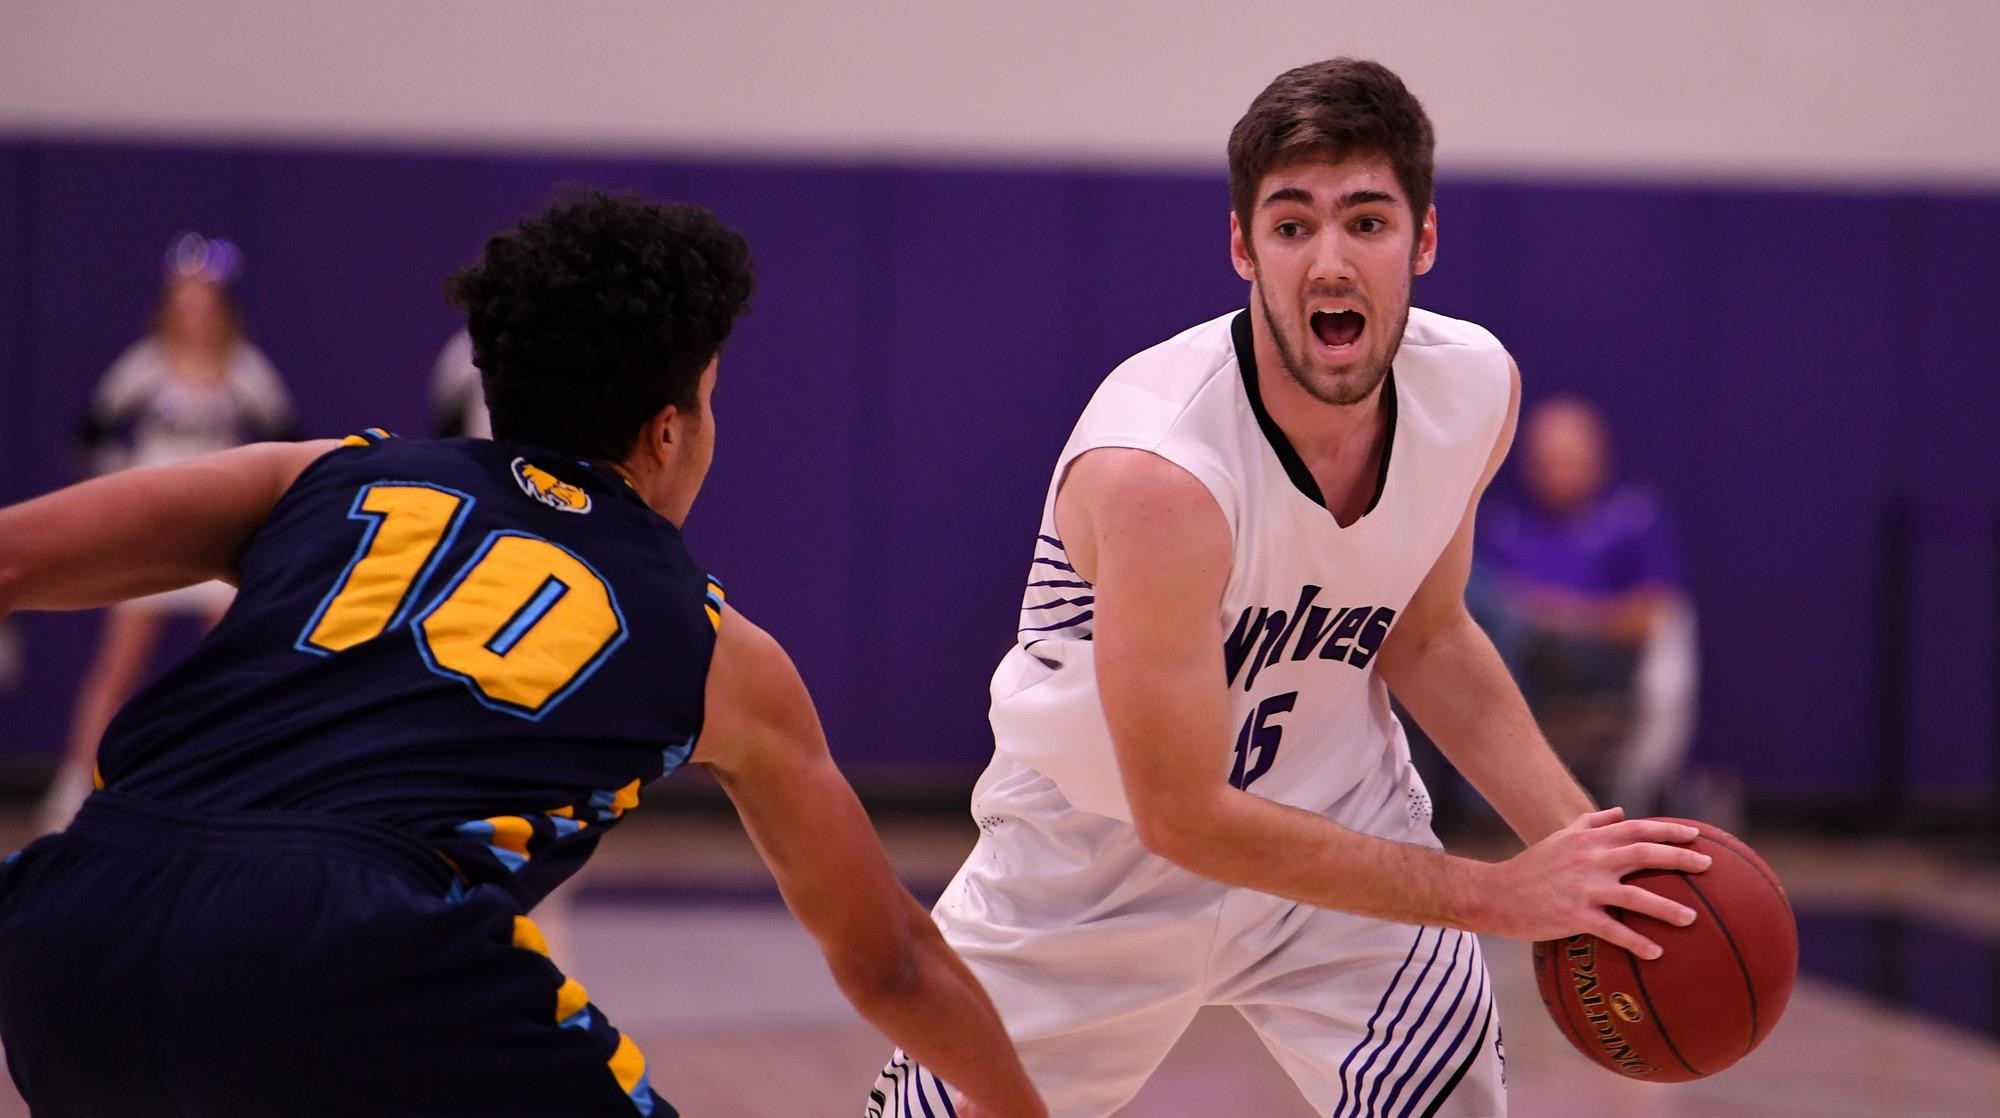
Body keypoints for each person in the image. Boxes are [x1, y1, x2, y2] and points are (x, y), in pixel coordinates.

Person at [0, 194, 1044, 1118]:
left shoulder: (327, 476)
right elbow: (890, 961)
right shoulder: (719, 645)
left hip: (72, 927)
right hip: (343, 946)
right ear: (668, 431)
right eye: (711, 398)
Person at [865, 59, 1710, 1118]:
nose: (1328, 262)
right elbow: (1181, 815)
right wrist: (1495, 894)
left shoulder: (1472, 386)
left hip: (1342, 840)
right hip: (1089, 875)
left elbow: (1427, 635)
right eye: (1290, 225)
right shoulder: (1158, 468)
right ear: (1241, 248)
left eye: (1365, 221)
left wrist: (1587, 857)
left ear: (1424, 240)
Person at [42, 234, 297, 832]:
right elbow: (90, 434)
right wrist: (125, 483)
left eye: (204, 298)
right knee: (119, 662)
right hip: (156, 526)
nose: (194, 309)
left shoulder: (246, 372)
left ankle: (230, 777)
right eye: (184, 298)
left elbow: (288, 442)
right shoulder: (145, 367)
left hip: (219, 531)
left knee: (231, 658)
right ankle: (76, 780)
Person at [1476, 396, 1696, 817]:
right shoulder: (1504, 526)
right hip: (1510, 663)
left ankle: (1486, 799)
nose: (1554, 471)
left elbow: (1650, 621)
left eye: (1567, 459)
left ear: (1598, 457)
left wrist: (1551, 616)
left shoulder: (1633, 519)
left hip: (1596, 660)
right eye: (1544, 460)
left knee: (1501, 620)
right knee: (1473, 606)